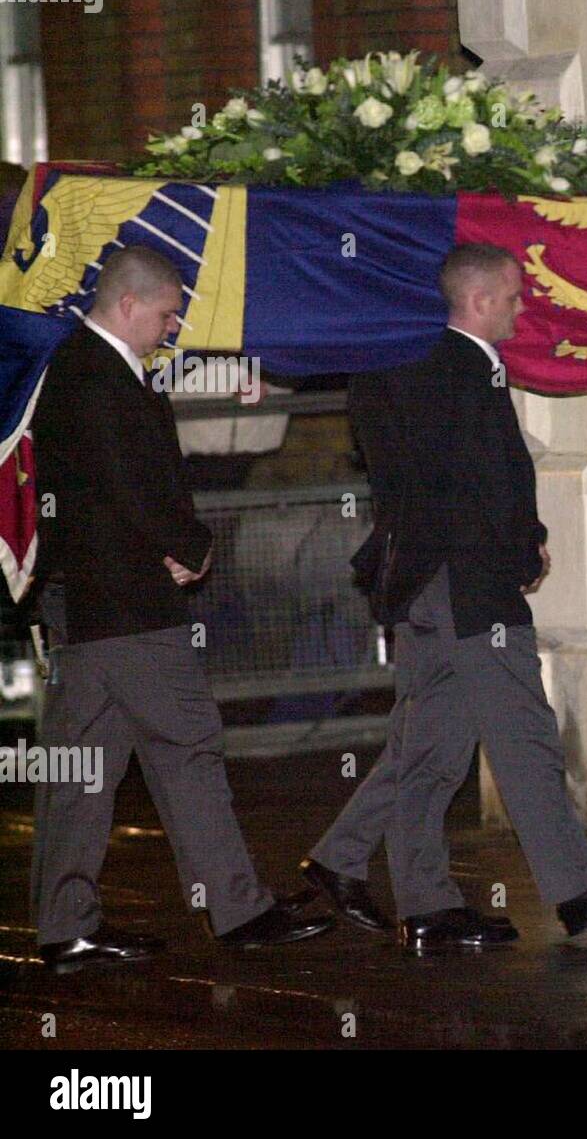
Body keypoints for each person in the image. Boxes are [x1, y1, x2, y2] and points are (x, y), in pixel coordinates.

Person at [301, 243, 587, 950]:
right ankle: (577, 891)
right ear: (476, 301)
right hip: (468, 583)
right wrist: (522, 546)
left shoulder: (389, 369)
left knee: (431, 741)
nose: (520, 306)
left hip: (423, 581)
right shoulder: (463, 367)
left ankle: (417, 899)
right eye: (512, 295)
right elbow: (482, 481)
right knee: (523, 734)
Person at [30, 244, 334, 972]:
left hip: (94, 604)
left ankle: (66, 926)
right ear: (129, 304)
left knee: (82, 767)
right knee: (188, 744)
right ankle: (237, 908)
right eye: (166, 315)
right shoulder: (96, 377)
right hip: (127, 603)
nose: (170, 329)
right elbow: (129, 482)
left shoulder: (83, 369)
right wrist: (187, 544)